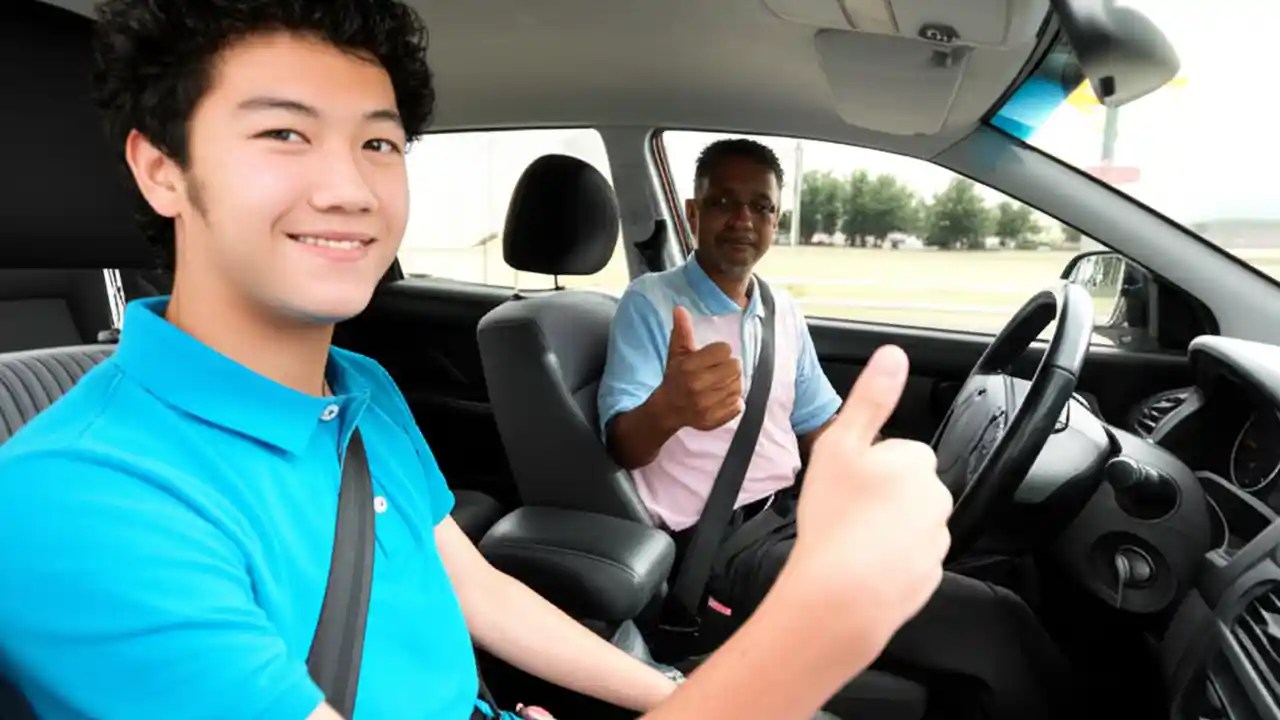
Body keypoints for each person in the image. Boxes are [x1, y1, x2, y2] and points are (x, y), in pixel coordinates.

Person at [0, 2, 952, 719]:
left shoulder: (360, 391)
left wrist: (665, 692)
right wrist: (816, 632)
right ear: (161, 167)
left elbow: (475, 587)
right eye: (283, 132)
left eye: (379, 141)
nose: (349, 187)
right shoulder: (68, 499)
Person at [599, 139, 1076, 718]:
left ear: (777, 219)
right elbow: (622, 444)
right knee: (995, 623)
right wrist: (672, 407)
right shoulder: (651, 304)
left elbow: (820, 423)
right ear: (695, 214)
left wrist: (881, 477)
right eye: (724, 201)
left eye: (762, 206)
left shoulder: (780, 311)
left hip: (797, 511)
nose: (744, 219)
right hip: (718, 547)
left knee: (1002, 580)